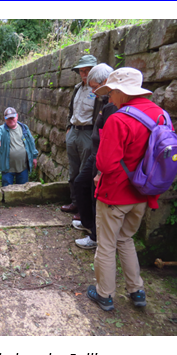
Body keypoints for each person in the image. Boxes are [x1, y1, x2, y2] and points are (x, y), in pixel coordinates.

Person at [86, 67, 163, 311]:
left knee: (107, 245)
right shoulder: (161, 115)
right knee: (125, 239)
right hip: (143, 191)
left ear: (121, 92)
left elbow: (105, 163)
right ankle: (136, 290)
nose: (109, 97)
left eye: (111, 92)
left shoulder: (119, 119)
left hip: (115, 193)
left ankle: (104, 294)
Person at [72, 63, 116, 249]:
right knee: (81, 183)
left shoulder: (113, 105)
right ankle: (87, 222)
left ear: (105, 82)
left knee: (94, 194)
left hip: (102, 157)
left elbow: (112, 139)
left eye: (94, 86)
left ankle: (95, 237)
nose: (92, 90)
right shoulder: (105, 100)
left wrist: (101, 169)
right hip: (95, 154)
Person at [61, 55, 101, 219]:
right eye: (81, 71)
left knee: (86, 171)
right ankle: (75, 202)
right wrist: (69, 127)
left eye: (87, 70)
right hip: (74, 131)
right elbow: (72, 109)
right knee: (73, 169)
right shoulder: (78, 88)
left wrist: (94, 134)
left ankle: (83, 209)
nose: (84, 74)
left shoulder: (98, 91)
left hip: (88, 132)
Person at [0, 107, 38, 186]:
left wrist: (34, 156)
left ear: (17, 116)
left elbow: (31, 142)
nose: (11, 120)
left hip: (23, 167)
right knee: (7, 190)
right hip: (7, 168)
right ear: (5, 119)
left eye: (12, 117)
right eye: (8, 118)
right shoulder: (2, 129)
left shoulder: (24, 128)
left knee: (23, 190)